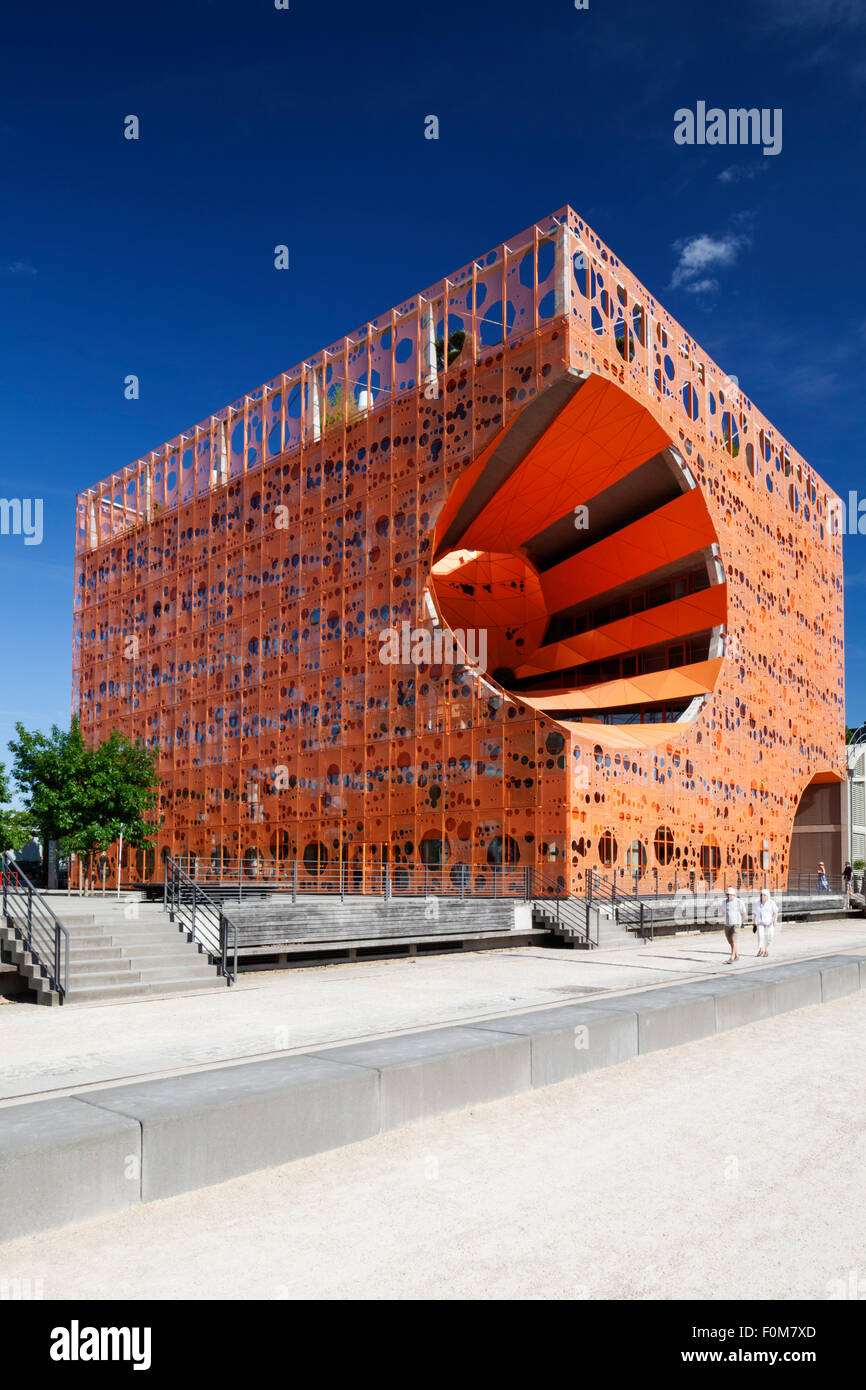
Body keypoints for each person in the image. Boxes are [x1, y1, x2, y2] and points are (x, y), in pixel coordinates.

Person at [723, 885, 745, 963]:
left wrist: (740, 923)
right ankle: (736, 955)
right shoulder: (724, 902)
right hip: (727, 924)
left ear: (734, 895)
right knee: (731, 941)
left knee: (734, 940)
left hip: (736, 924)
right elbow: (724, 912)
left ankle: (732, 957)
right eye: (727, 894)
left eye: (730, 894)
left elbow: (744, 913)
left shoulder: (739, 902)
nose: (728, 896)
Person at [755, 888, 778, 957]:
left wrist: (775, 920)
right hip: (760, 923)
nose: (763, 896)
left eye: (764, 895)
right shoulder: (757, 903)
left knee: (769, 937)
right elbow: (755, 913)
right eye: (762, 895)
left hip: (769, 923)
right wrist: (754, 922)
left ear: (768, 896)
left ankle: (767, 950)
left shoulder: (771, 903)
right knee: (760, 935)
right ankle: (761, 948)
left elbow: (775, 912)